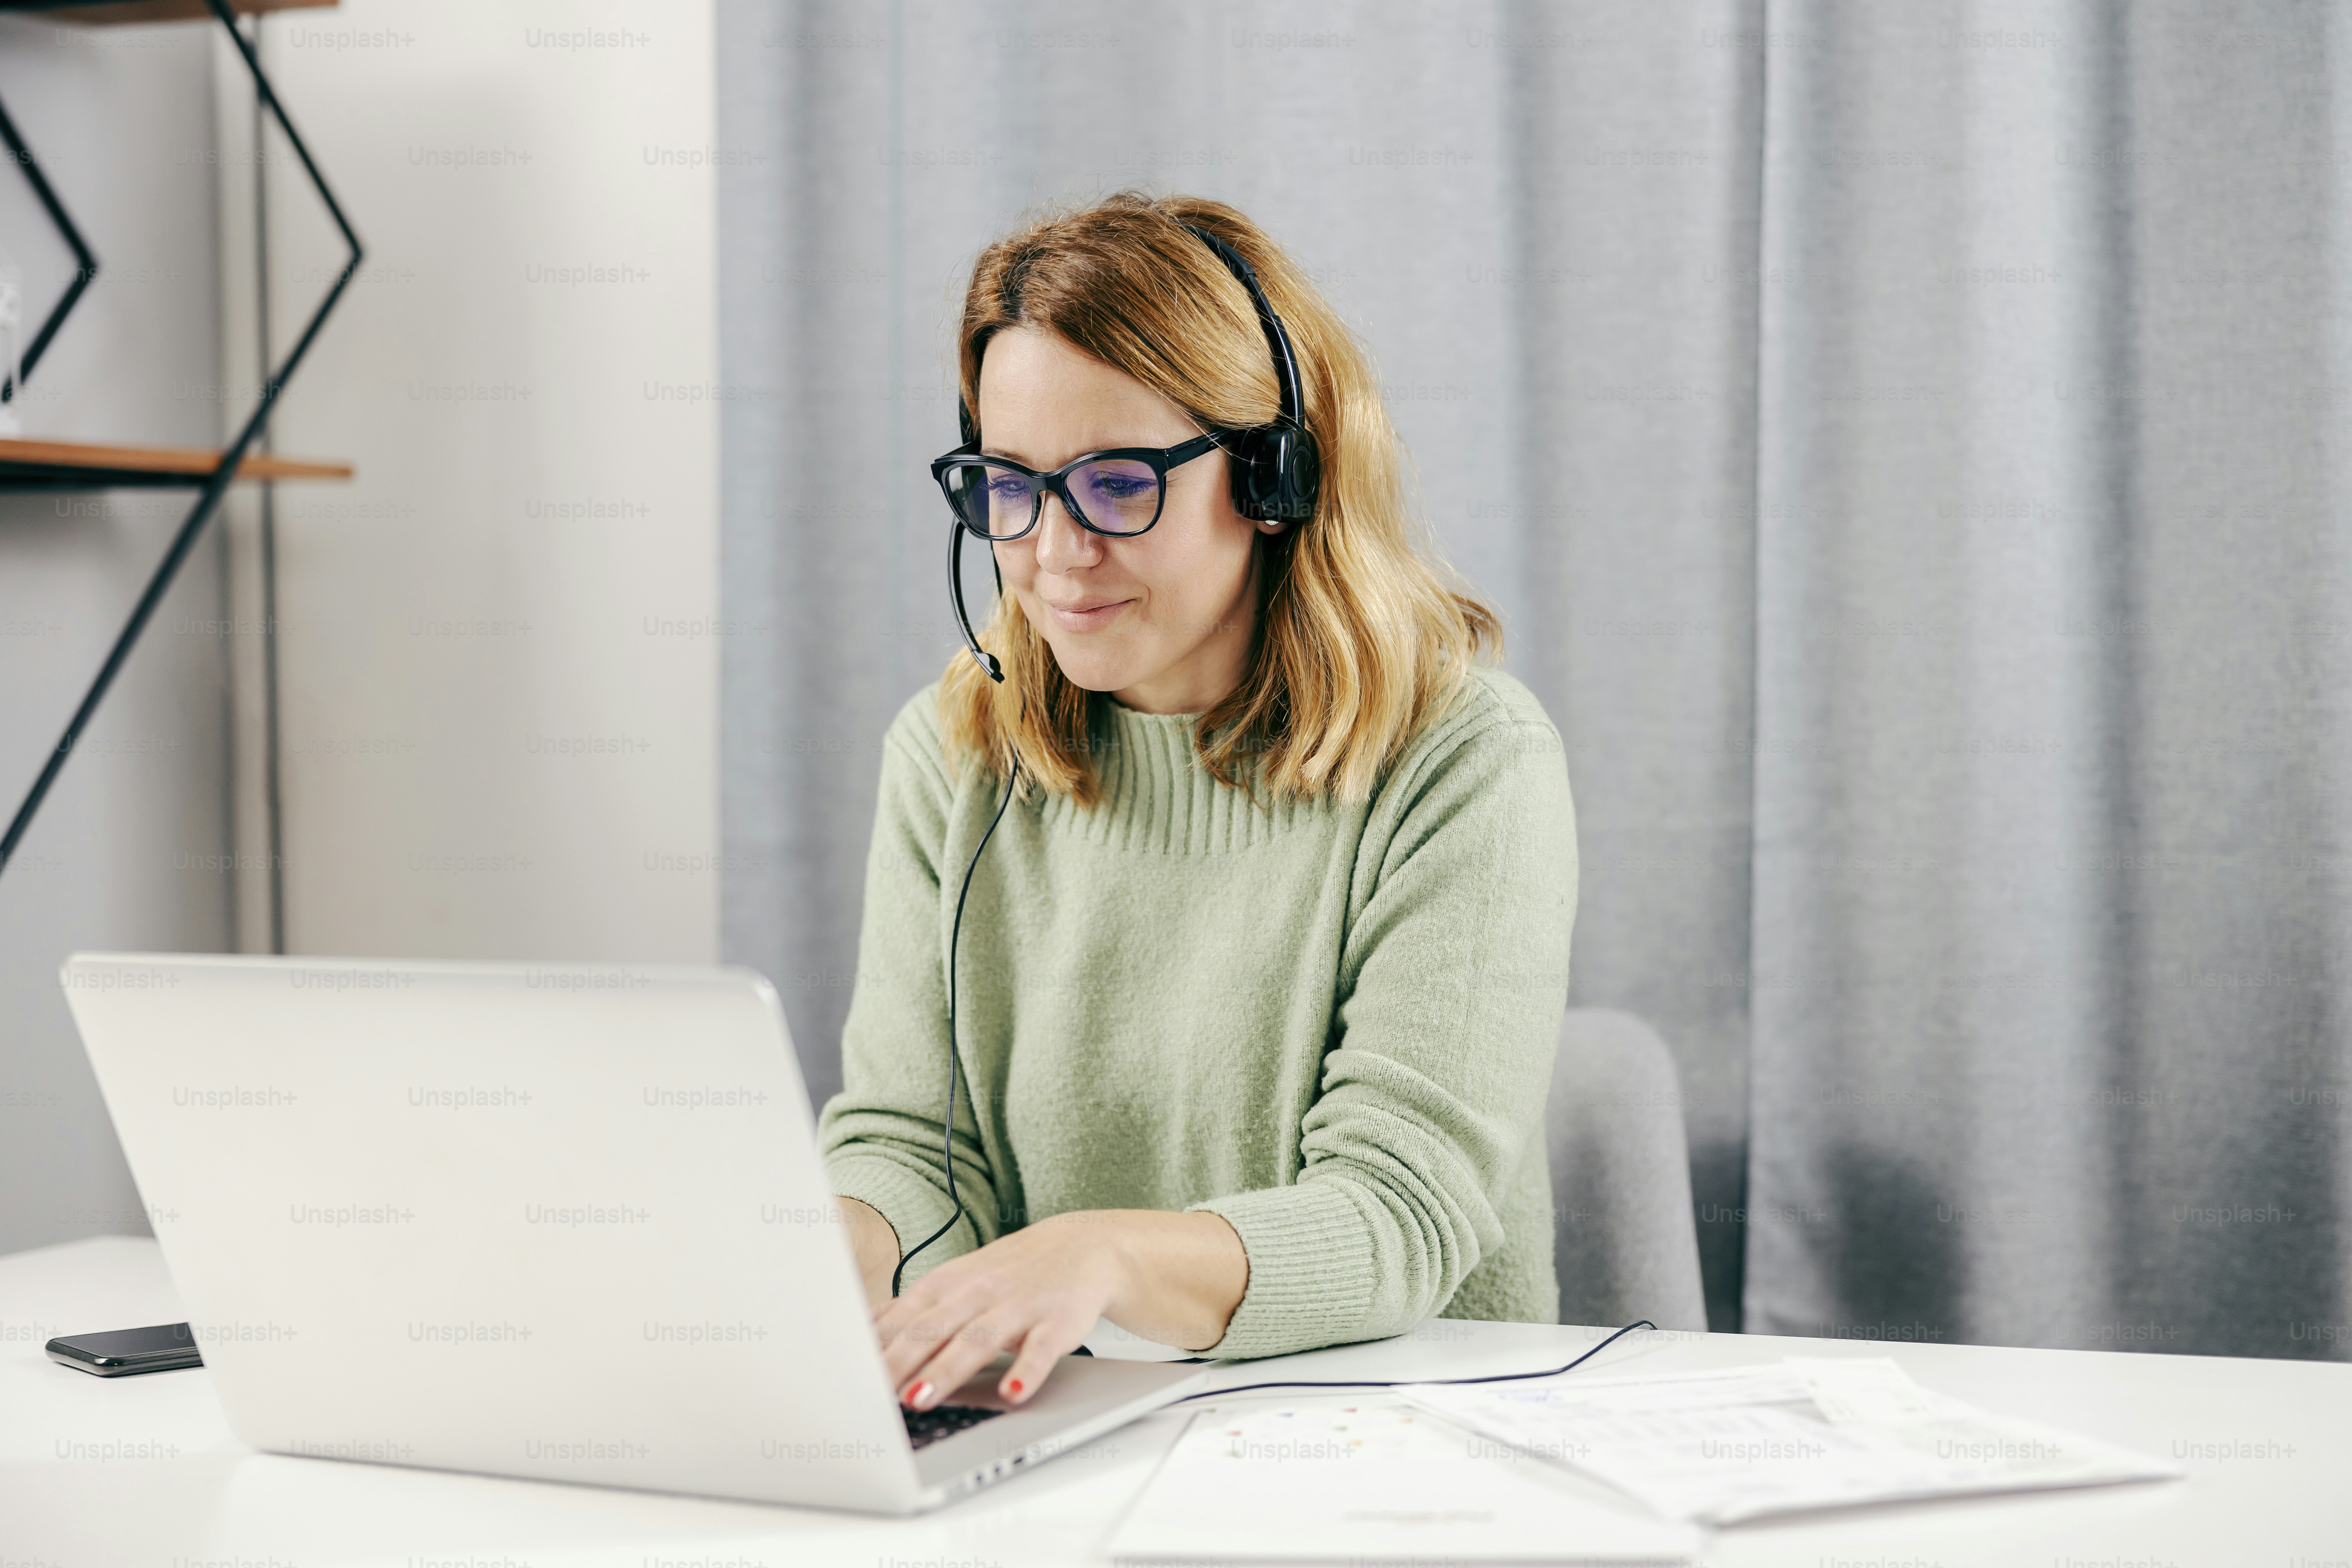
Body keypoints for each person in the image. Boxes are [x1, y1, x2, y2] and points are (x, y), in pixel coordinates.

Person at [820, 191, 1577, 1416]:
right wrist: (841, 1244)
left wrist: (1106, 1255)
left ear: (1275, 479)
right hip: (1066, 1427)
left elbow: (1400, 1213)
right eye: (1006, 486)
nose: (1055, 554)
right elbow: (917, 1146)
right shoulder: (953, 752)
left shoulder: (1465, 761)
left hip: (1402, 1439)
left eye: (1117, 484)